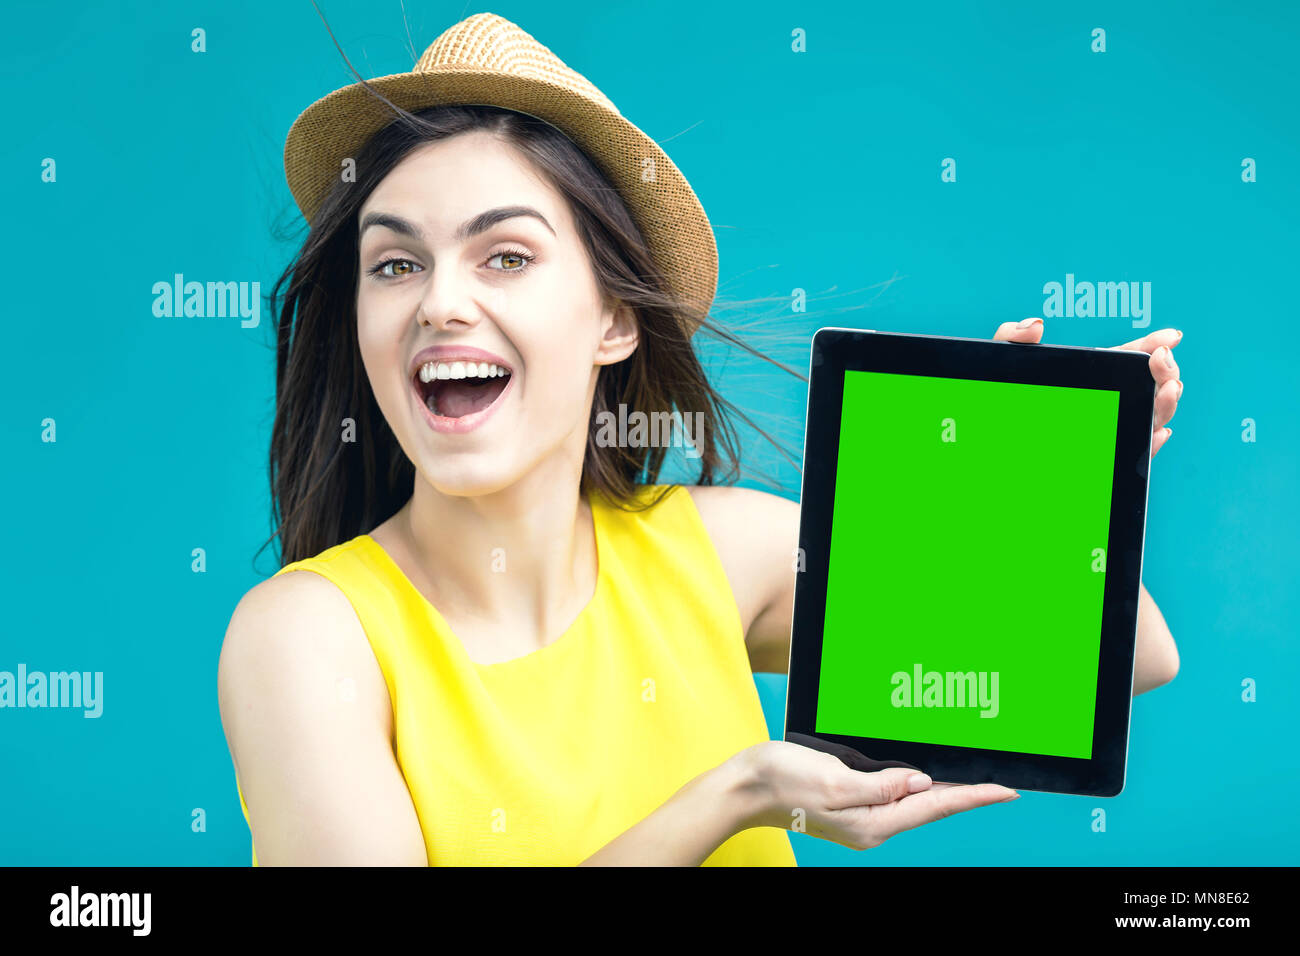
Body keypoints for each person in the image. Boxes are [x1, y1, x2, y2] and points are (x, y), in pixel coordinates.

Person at [217, 13, 1182, 866]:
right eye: (395, 263)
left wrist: (1047, 485)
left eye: (505, 255)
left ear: (614, 322)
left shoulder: (721, 557)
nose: (439, 302)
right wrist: (737, 797)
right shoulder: (306, 640)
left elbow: (1125, 659)